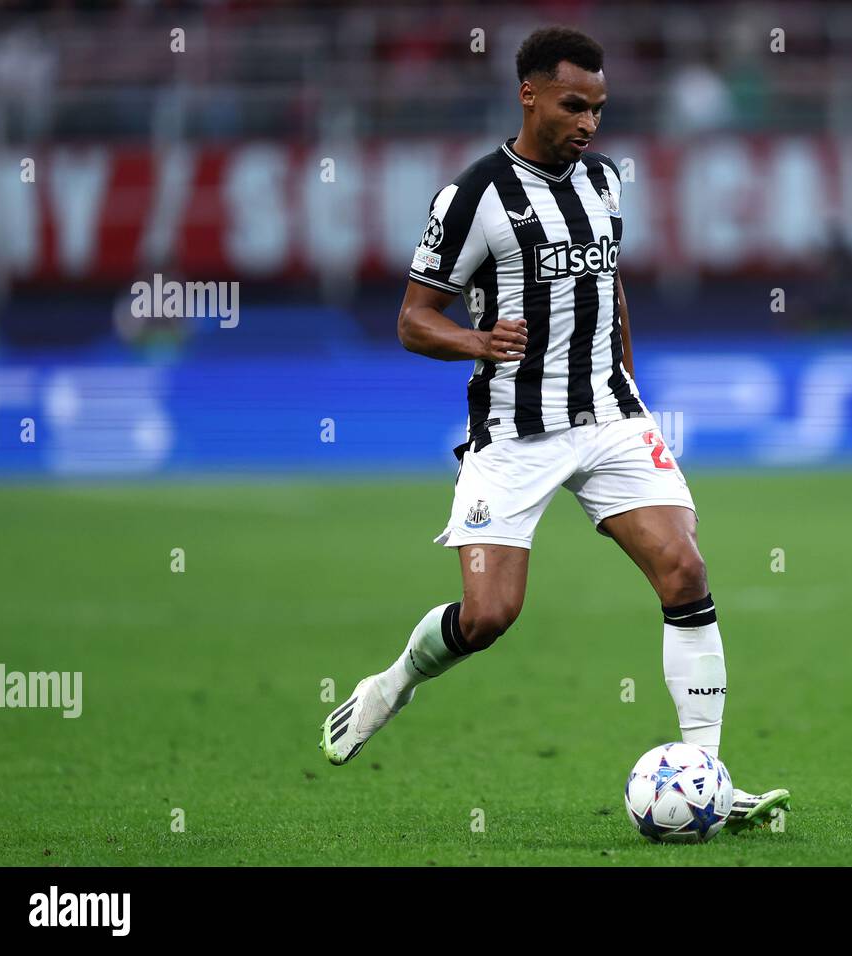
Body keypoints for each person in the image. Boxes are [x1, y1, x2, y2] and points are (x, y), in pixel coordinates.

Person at [320, 26, 789, 833]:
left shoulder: (605, 182)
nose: (589, 124)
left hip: (608, 415)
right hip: (513, 432)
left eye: (600, 109)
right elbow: (411, 321)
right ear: (529, 93)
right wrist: (477, 341)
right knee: (492, 616)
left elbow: (612, 295)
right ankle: (395, 682)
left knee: (684, 569)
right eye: (575, 105)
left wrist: (632, 392)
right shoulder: (470, 198)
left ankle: (709, 774)